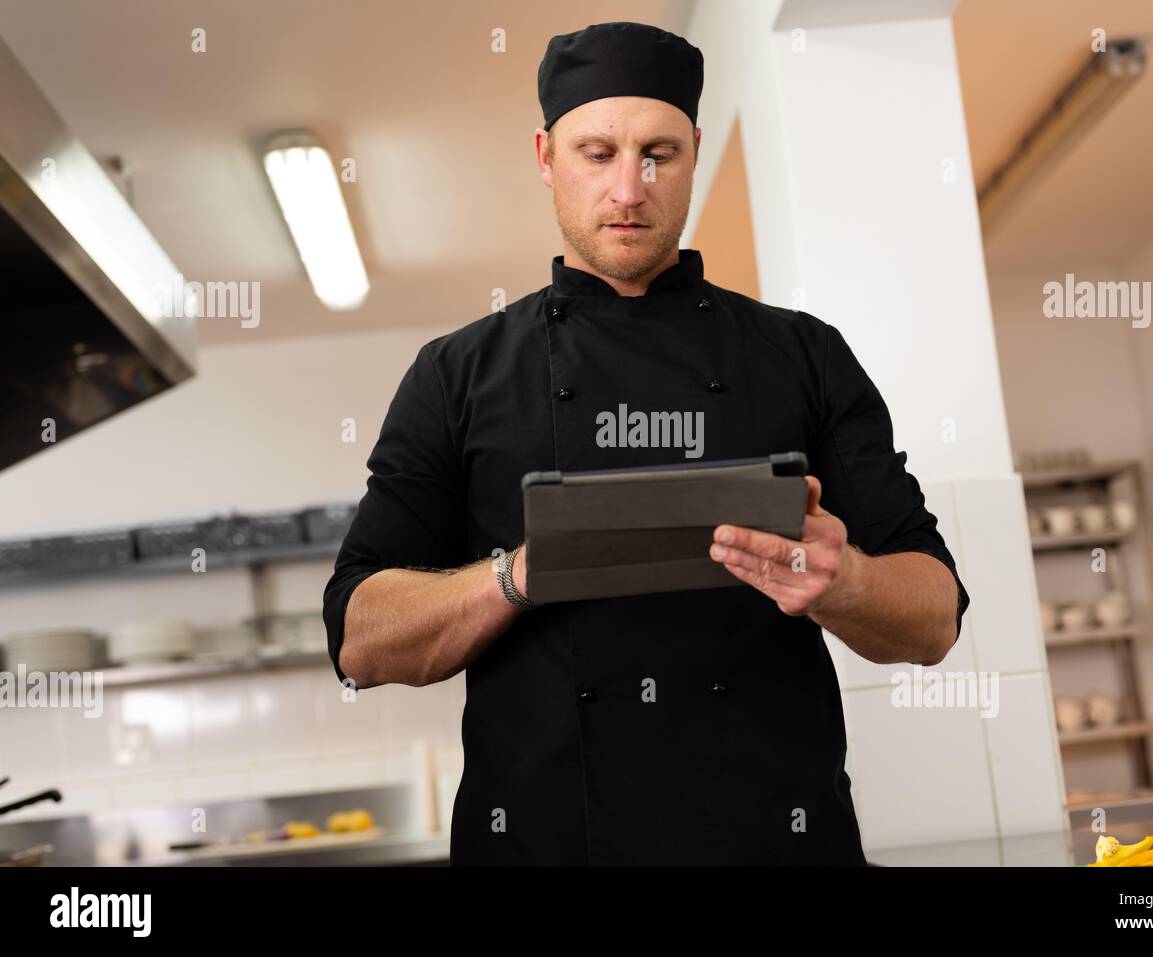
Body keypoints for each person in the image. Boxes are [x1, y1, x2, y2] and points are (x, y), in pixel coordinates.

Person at [323, 20, 970, 866]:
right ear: (546, 157)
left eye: (658, 152)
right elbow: (359, 638)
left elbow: (935, 616)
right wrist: (515, 576)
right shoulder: (456, 375)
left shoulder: (803, 355)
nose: (630, 189)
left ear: (696, 152)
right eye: (597, 153)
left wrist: (842, 580)